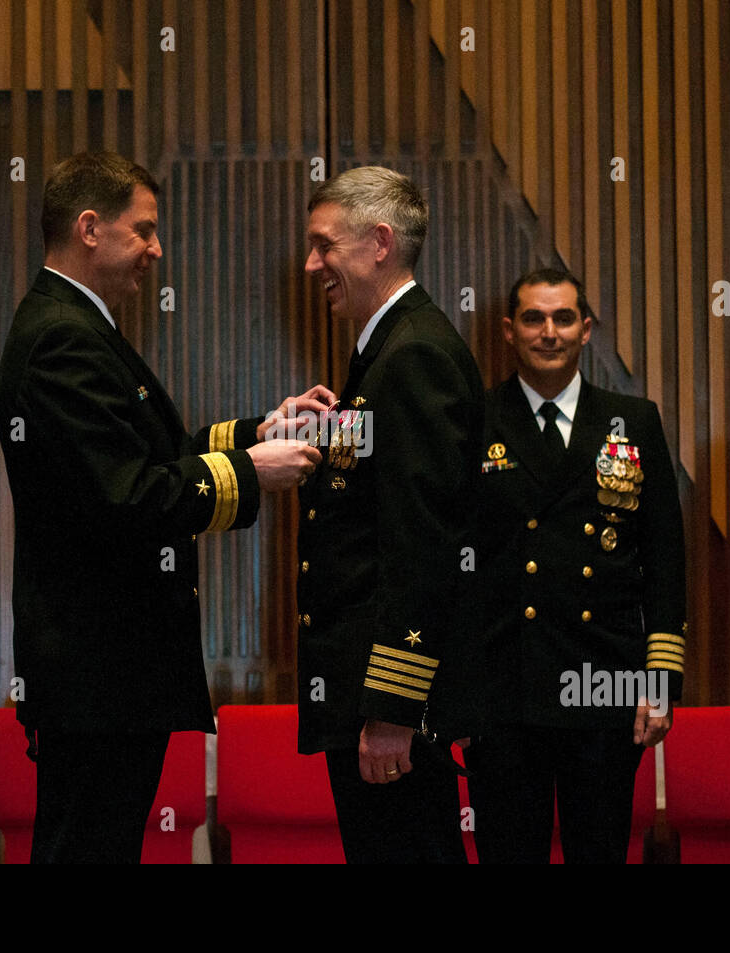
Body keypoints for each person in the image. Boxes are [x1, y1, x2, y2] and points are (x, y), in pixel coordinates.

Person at [0, 150, 326, 863]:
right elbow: (124, 496)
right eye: (143, 229)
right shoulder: (63, 337)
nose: (156, 248)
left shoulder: (81, 324)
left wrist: (255, 434)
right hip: (97, 672)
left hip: (106, 674)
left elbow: (149, 453)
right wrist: (249, 472)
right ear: (89, 227)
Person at [464, 267, 687, 863]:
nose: (549, 332)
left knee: (600, 852)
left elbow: (664, 558)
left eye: (563, 318)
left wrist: (659, 680)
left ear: (586, 330)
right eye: (534, 318)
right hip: (505, 687)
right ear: (509, 331)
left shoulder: (632, 421)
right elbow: (452, 564)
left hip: (605, 683)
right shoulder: (475, 422)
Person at [295, 165, 484, 863]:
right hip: (372, 695)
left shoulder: (414, 355)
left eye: (323, 246)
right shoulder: (389, 347)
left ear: (379, 242)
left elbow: (422, 544)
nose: (312, 264)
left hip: (390, 708)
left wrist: (393, 708)